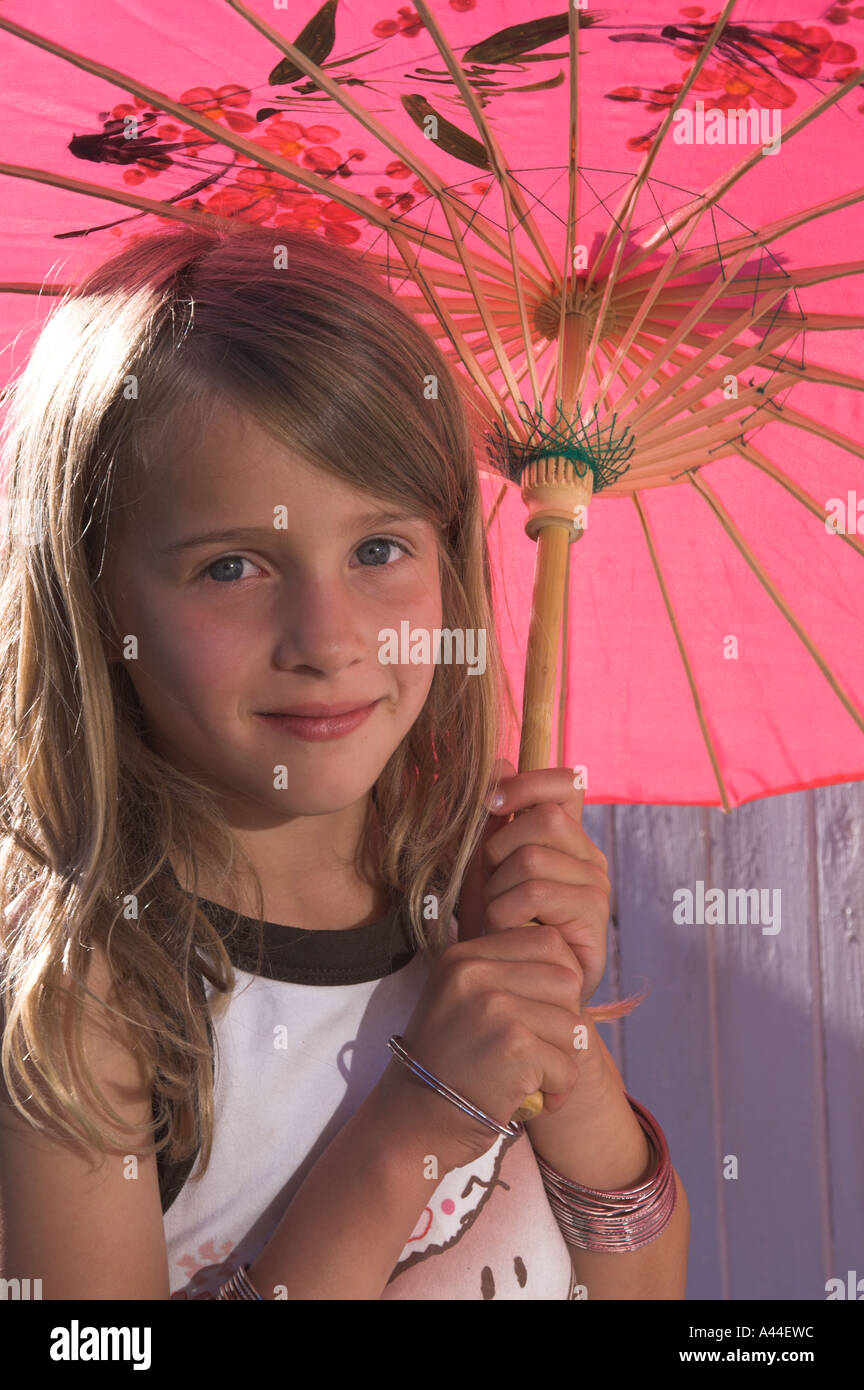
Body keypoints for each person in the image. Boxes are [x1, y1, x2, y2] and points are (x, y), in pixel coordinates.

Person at [0, 224, 689, 1300]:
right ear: (95, 598)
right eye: (230, 565)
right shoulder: (94, 1001)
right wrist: (419, 1123)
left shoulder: (454, 888)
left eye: (379, 550)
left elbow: (644, 1287)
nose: (326, 639)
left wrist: (548, 1018)